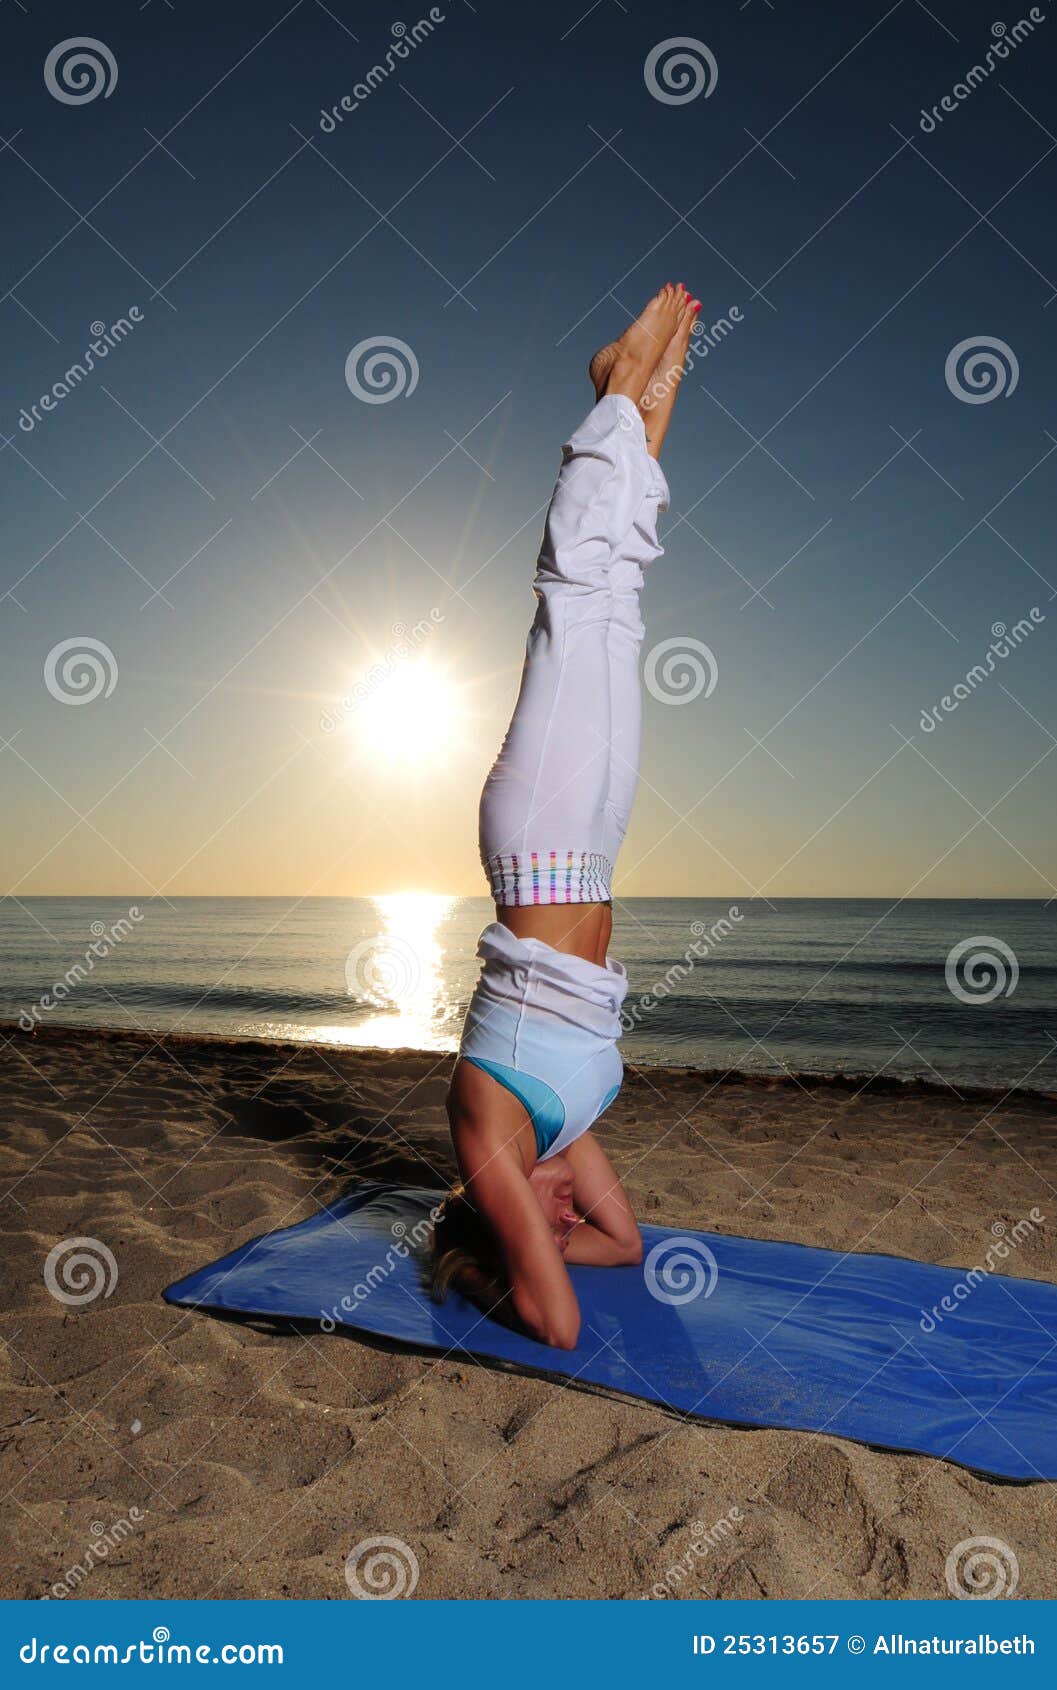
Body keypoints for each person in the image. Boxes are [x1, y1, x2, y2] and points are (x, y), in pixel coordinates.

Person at [429, 283, 702, 1348]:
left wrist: (477, 1271)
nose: (567, 1209)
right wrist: (556, 1226)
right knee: (618, 606)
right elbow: (623, 1246)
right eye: (559, 1215)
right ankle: (635, 408)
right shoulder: (567, 1133)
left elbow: (557, 1325)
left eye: (546, 1221)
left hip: (534, 840)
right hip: (588, 852)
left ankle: (605, 399)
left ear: (499, 1221)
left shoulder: (490, 1142)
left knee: (573, 592)